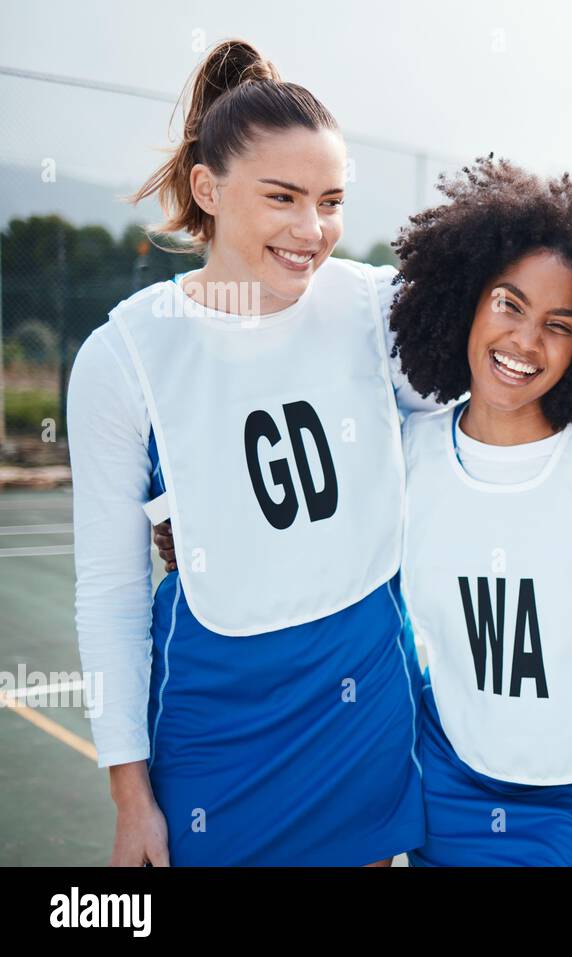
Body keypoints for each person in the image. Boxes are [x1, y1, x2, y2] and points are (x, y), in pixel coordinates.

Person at [68, 39, 434, 866]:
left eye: (332, 201)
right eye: (283, 197)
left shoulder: (374, 306)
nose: (313, 230)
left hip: (363, 703)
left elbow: (498, 395)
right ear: (208, 187)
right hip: (217, 724)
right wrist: (132, 799)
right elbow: (110, 591)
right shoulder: (126, 356)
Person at [390, 156, 572, 865]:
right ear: (465, 299)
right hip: (447, 771)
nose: (525, 341)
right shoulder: (405, 449)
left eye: (559, 324)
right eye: (509, 304)